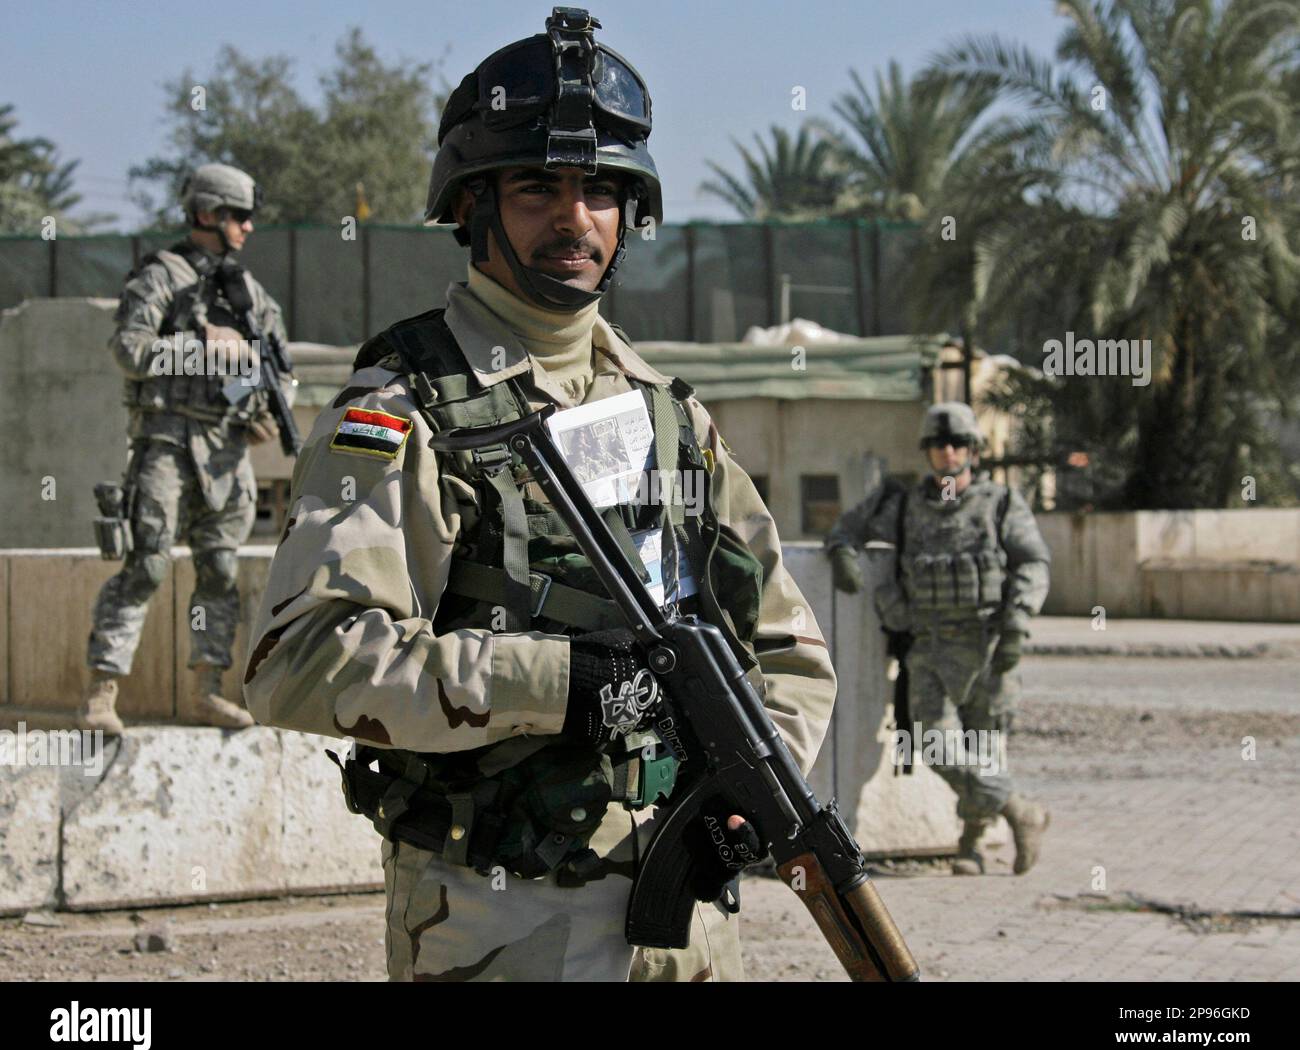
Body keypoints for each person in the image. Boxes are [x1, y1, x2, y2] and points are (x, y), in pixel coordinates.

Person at [242, 7, 835, 982]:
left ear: (630, 212)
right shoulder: (402, 409)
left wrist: (750, 784)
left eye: (601, 190)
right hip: (501, 928)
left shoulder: (672, 419)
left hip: (689, 925)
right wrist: (556, 685)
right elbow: (299, 659)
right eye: (536, 188)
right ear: (470, 206)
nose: (573, 218)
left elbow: (787, 645)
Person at [79, 163, 285, 734]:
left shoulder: (251, 296)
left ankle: (207, 691)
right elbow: (129, 349)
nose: (247, 228)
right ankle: (102, 691)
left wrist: (257, 408)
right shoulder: (160, 277)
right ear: (208, 215)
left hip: (225, 450)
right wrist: (198, 345)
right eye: (238, 216)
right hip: (166, 440)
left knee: (218, 570)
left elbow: (265, 369)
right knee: (144, 563)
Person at [825, 402, 1052, 876]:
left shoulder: (1001, 504)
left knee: (983, 746)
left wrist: (1019, 622)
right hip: (929, 650)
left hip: (989, 648)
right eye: (938, 445)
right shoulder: (903, 505)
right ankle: (1019, 810)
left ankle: (970, 844)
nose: (947, 453)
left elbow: (1033, 563)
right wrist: (843, 555)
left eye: (957, 444)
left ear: (973, 450)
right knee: (936, 745)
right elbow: (845, 527)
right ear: (927, 452)